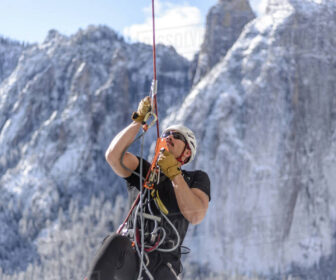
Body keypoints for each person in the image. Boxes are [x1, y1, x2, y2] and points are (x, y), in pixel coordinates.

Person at [86, 97, 211, 280]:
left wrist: (173, 173)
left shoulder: (195, 179)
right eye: (167, 134)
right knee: (115, 242)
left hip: (163, 268)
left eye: (177, 137)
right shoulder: (145, 172)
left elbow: (196, 214)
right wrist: (139, 120)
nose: (169, 137)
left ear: (186, 153)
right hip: (133, 257)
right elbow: (114, 156)